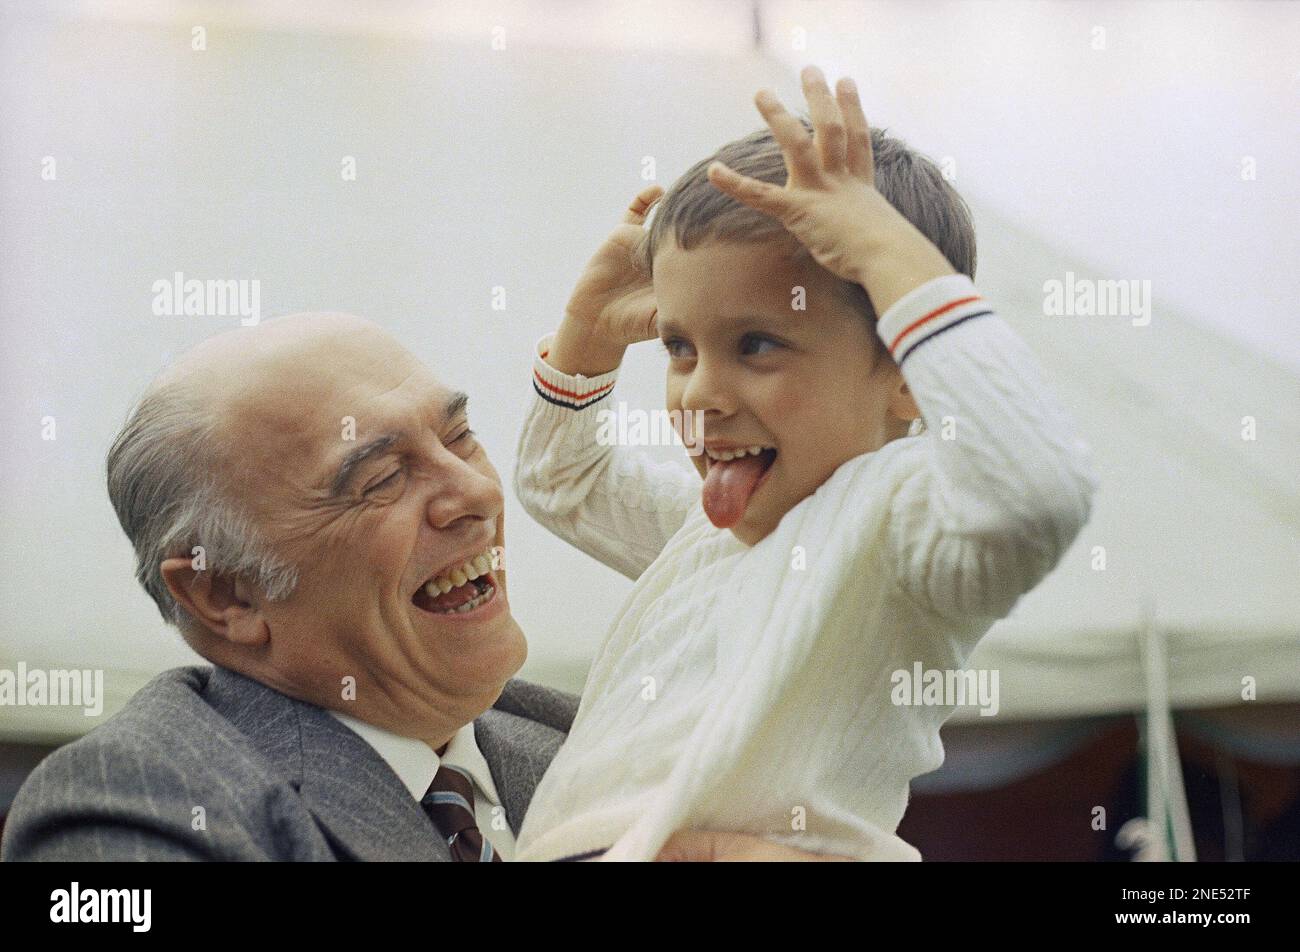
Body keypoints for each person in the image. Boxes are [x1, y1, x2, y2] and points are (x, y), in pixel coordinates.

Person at [511, 66, 1099, 861]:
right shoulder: (710, 532)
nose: (702, 394)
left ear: (905, 376)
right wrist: (589, 327)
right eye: (681, 346)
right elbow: (561, 482)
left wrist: (884, 246)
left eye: (757, 344)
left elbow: (1036, 494)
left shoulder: (896, 528)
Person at [1, 311, 842, 862]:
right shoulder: (128, 808)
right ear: (227, 597)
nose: (475, 494)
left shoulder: (577, 740)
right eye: (379, 479)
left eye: (459, 436)